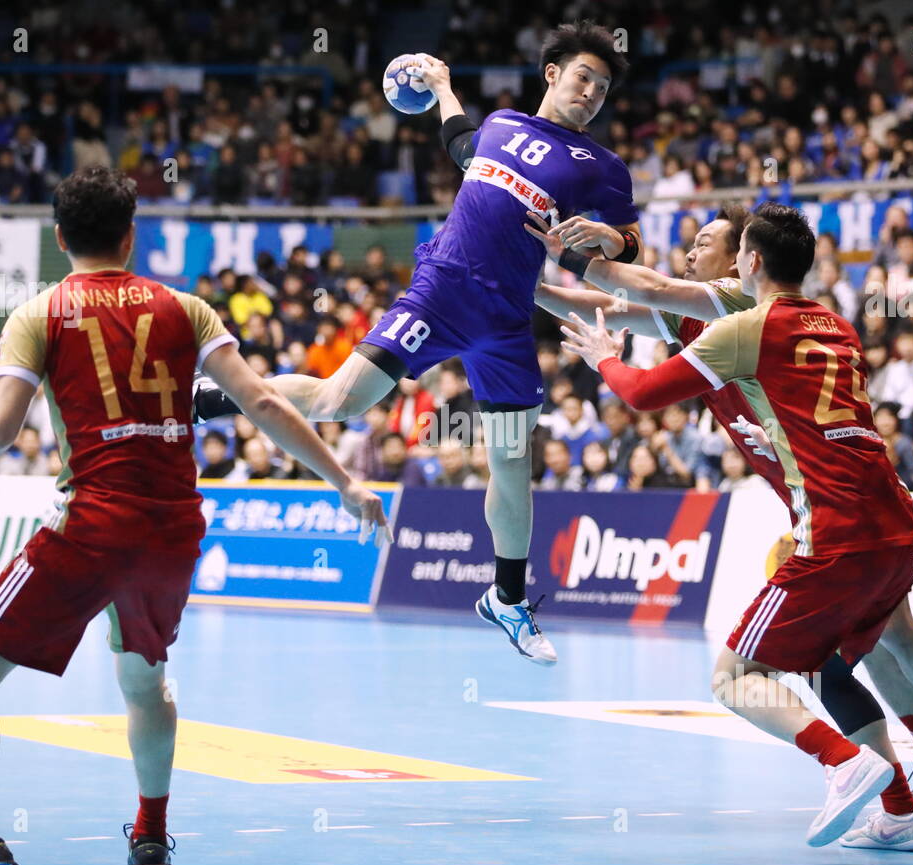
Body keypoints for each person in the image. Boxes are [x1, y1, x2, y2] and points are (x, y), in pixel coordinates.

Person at [0, 166, 387, 865]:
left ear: (60, 236)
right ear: (131, 237)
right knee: (145, 682)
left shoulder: (38, 314)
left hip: (91, 526)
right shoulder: (186, 308)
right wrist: (343, 481)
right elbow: (266, 403)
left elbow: (1, 433)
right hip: (173, 530)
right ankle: (151, 837)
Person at [546, 203, 913, 850]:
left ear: (746, 262)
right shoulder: (835, 323)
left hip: (834, 530)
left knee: (740, 677)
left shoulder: (742, 325)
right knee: (885, 635)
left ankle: (851, 765)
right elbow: (622, 302)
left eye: (709, 244)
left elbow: (641, 373)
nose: (692, 253)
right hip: (894, 518)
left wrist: (604, 361)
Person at [193, 22, 642, 667]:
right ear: (553, 75)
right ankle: (205, 401)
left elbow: (631, 242)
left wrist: (601, 237)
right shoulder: (502, 126)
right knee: (337, 398)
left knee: (512, 463)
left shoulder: (600, 167)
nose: (592, 93)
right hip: (443, 291)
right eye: (583, 78)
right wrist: (442, 86)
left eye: (602, 87)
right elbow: (462, 145)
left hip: (509, 321)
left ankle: (508, 599)